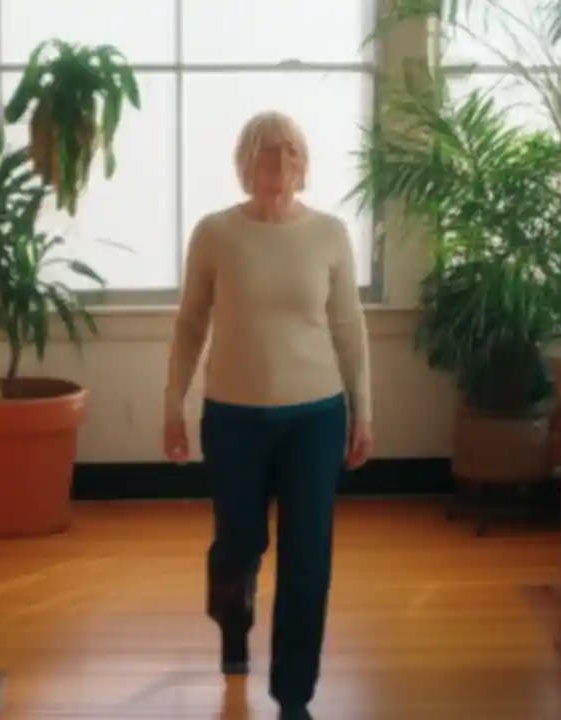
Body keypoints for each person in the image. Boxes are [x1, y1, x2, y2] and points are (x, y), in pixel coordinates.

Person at [163, 111, 374, 720]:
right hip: (233, 417)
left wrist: (364, 410)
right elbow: (190, 323)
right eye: (264, 154)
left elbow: (348, 327)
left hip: (315, 417)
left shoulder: (330, 234)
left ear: (303, 163)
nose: (277, 166)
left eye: (288, 154)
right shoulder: (215, 233)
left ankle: (293, 696)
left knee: (308, 557)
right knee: (239, 542)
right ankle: (233, 620)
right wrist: (173, 404)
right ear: (244, 163)